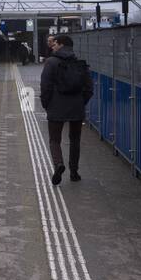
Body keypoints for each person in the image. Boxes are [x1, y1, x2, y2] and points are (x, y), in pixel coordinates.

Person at [40, 34, 93, 185]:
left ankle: (59, 164)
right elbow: (89, 88)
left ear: (61, 44)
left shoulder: (51, 62)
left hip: (56, 107)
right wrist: (81, 102)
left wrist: (46, 104)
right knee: (75, 140)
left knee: (54, 140)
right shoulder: (80, 64)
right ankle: (74, 172)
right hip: (76, 107)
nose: (53, 46)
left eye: (55, 43)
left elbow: (45, 86)